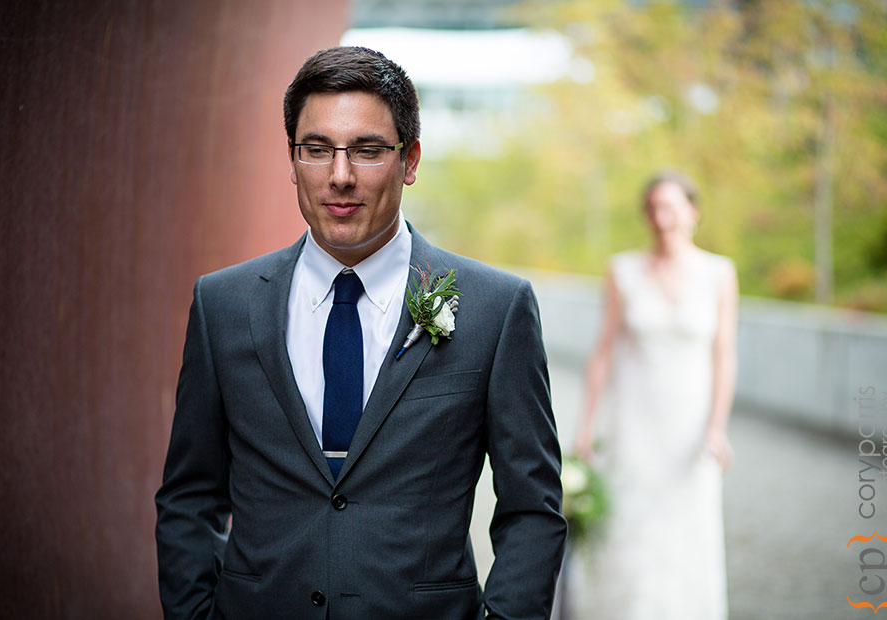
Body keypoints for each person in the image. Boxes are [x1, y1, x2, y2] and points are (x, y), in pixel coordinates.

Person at [154, 46, 566, 620]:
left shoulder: (496, 309)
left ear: (411, 159)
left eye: (367, 150)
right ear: (292, 160)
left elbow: (533, 510)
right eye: (317, 150)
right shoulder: (222, 303)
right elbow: (190, 496)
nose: (339, 176)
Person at [575, 172, 738, 619]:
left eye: (671, 207)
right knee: (629, 530)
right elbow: (602, 354)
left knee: (690, 531)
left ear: (693, 211)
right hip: (634, 425)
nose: (662, 218)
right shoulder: (623, 270)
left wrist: (717, 428)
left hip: (690, 428)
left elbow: (724, 354)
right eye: (653, 208)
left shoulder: (719, 273)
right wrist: (585, 429)